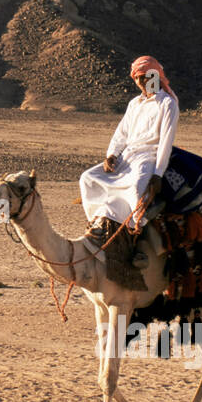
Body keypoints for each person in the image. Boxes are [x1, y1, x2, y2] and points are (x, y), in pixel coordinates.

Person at [79, 55, 178, 266]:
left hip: (148, 157)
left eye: (147, 76)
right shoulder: (134, 103)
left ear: (157, 77)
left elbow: (166, 143)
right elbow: (121, 133)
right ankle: (98, 225)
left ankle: (137, 242)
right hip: (127, 157)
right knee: (87, 178)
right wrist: (111, 155)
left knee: (136, 189)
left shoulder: (167, 103)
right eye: (138, 78)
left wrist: (157, 175)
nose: (142, 82)